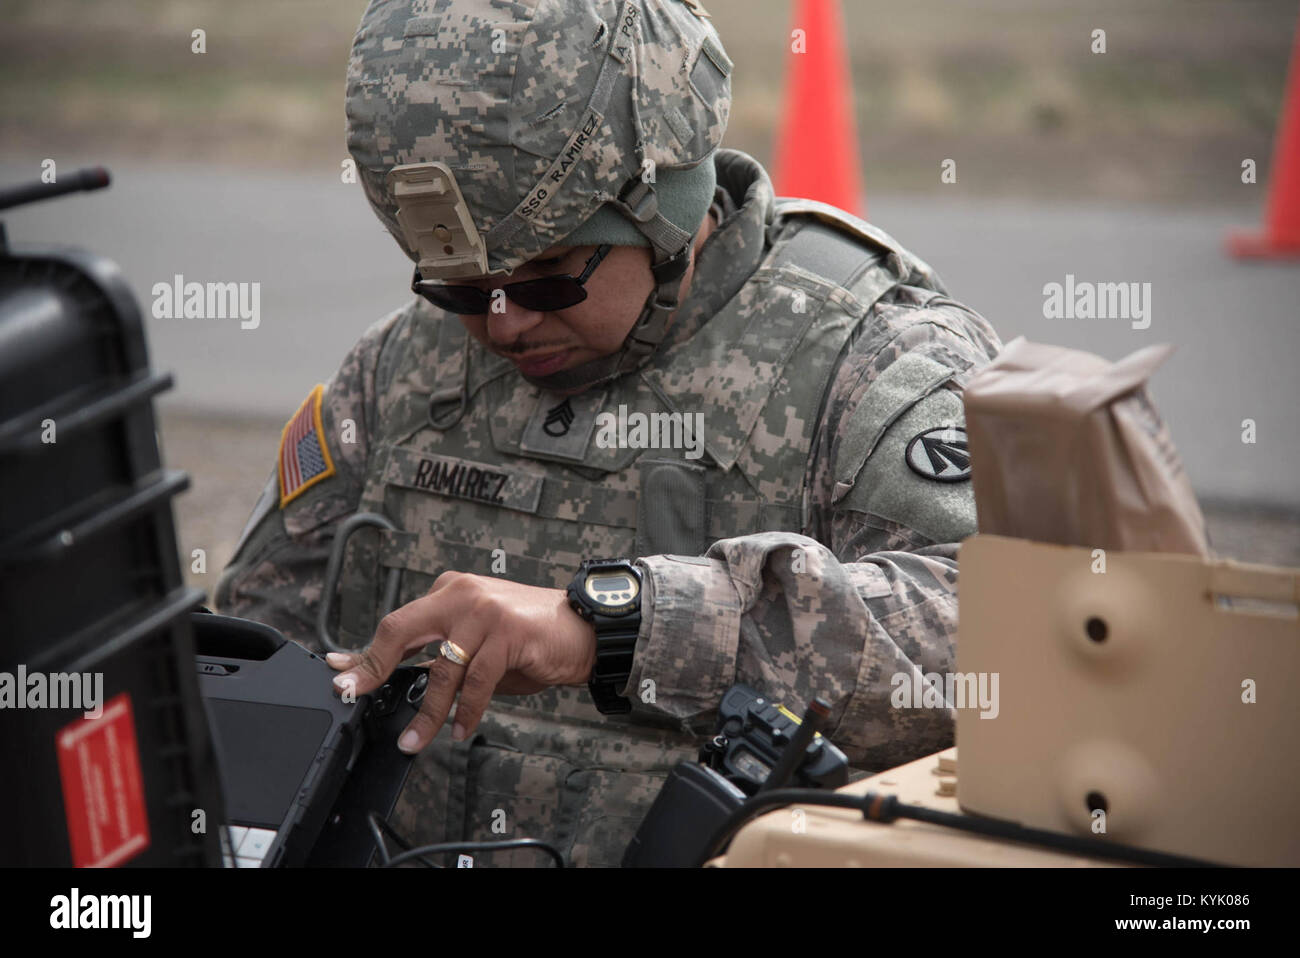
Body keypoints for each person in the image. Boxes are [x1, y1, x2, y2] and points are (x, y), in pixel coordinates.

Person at [217, 0, 1001, 867]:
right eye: (462, 288)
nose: (504, 326)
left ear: (661, 205)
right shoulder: (402, 371)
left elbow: (992, 635)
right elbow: (257, 651)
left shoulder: (872, 360)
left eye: (548, 278)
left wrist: (617, 629)